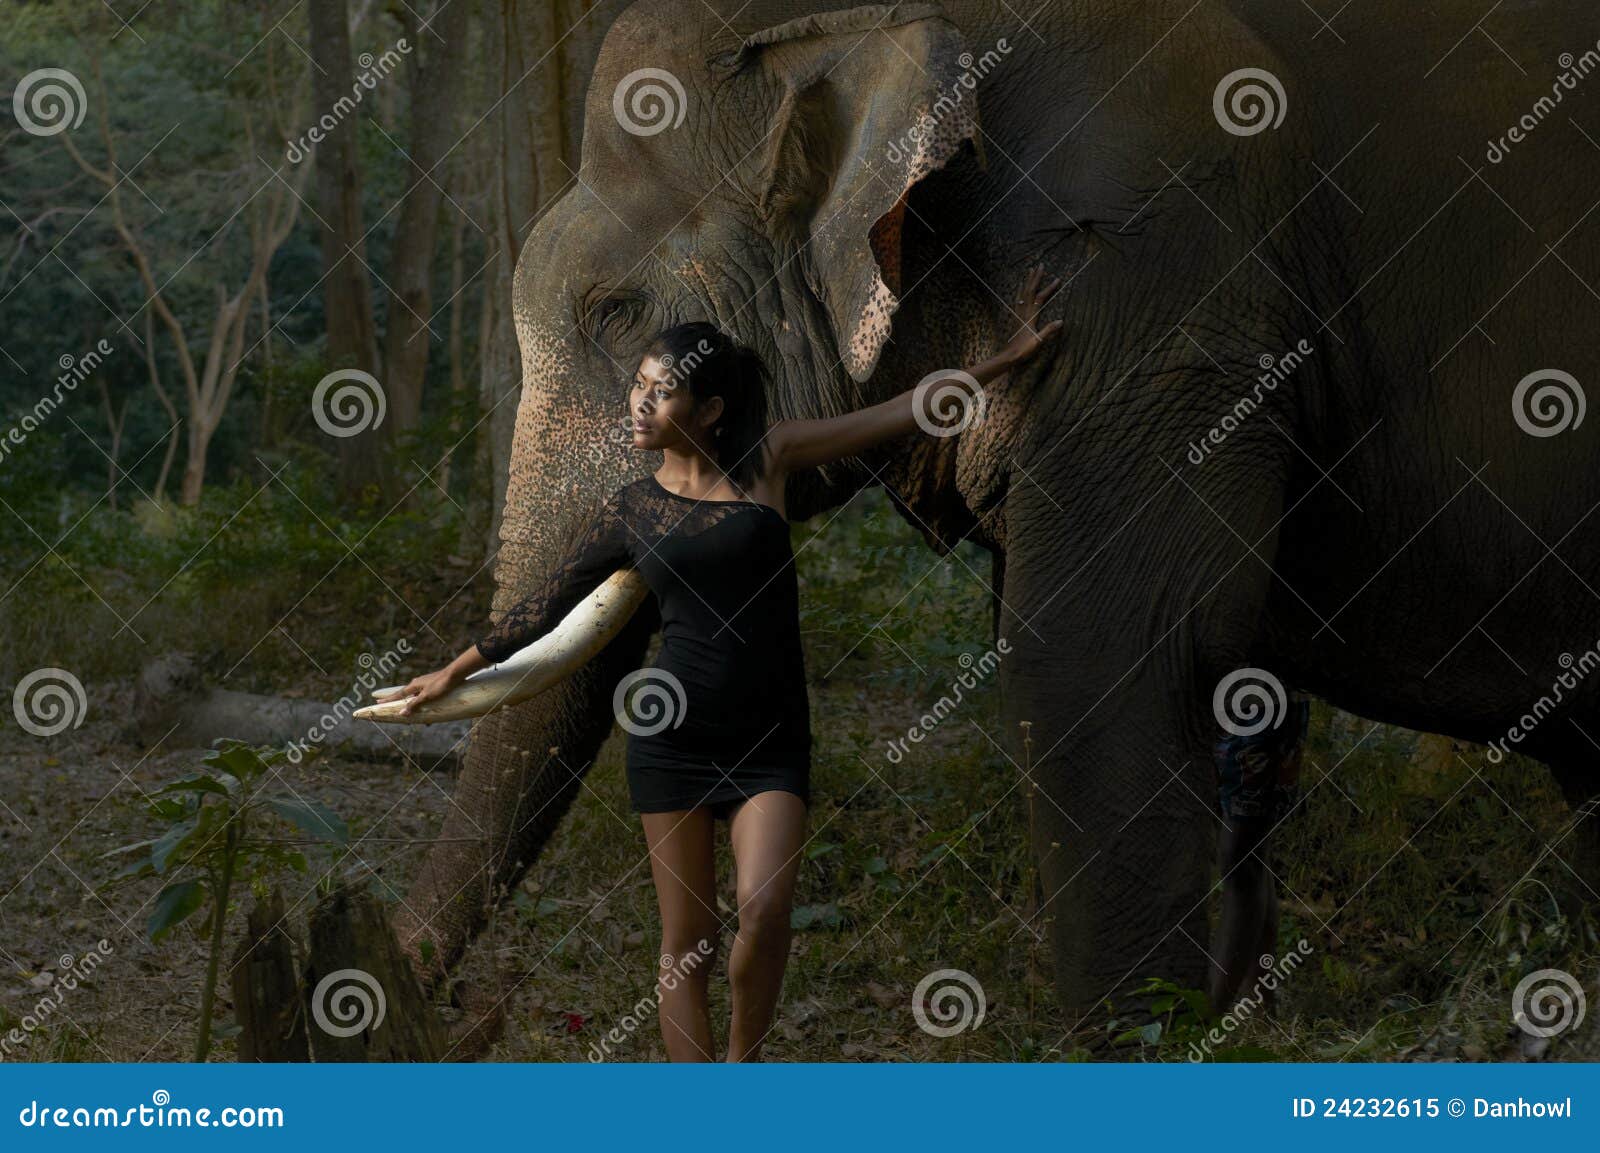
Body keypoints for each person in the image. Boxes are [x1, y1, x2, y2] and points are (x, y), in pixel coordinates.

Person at [388, 263, 1063, 1060]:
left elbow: (902, 412)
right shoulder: (630, 508)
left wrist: (1005, 360)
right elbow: (545, 608)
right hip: (670, 737)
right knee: (688, 938)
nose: (640, 401)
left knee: (767, 907)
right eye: (638, 384)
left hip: (770, 738)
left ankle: (744, 1064)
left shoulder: (769, 462)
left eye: (661, 390)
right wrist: (453, 670)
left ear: (708, 410)